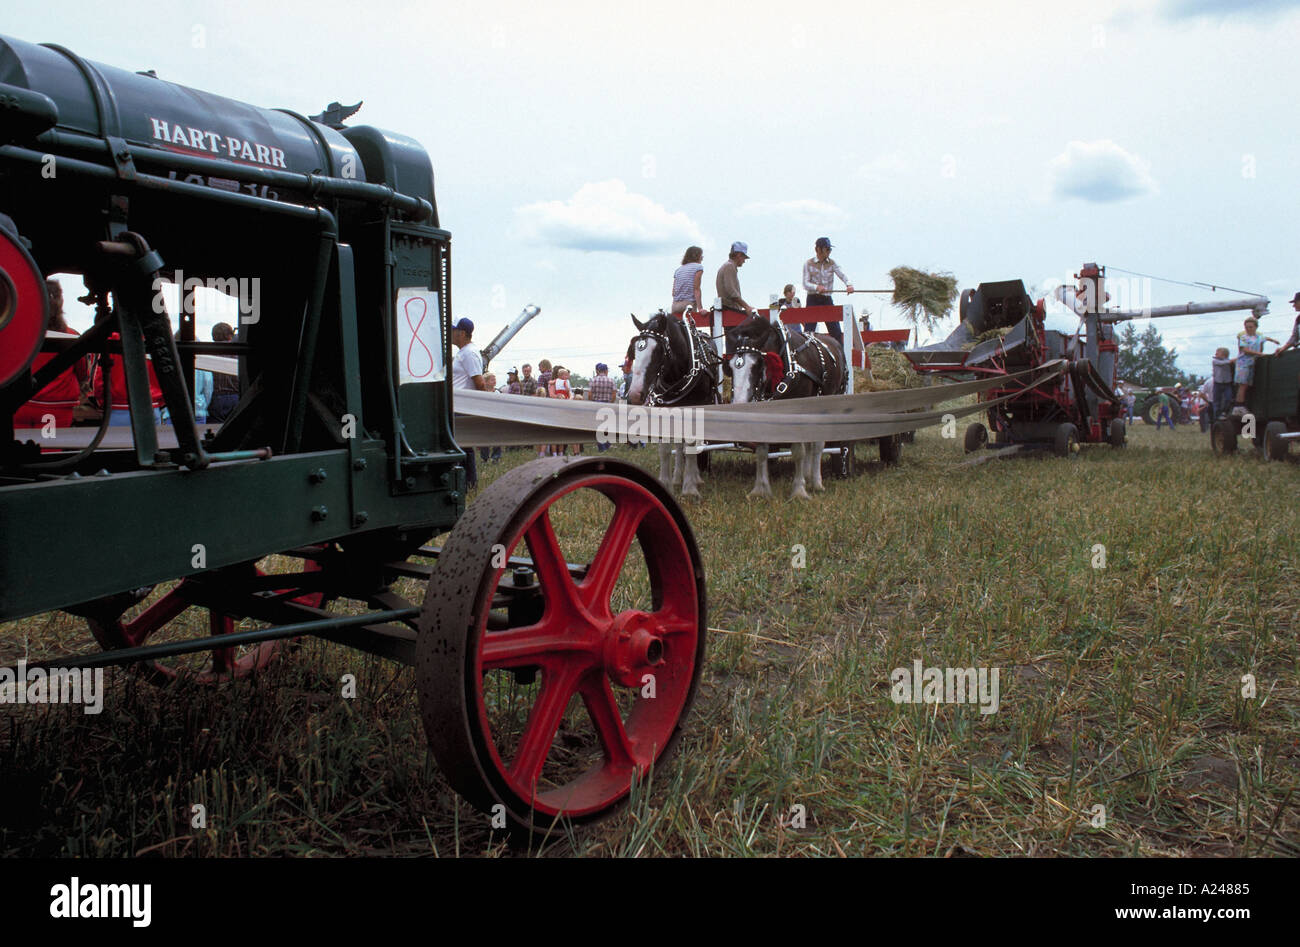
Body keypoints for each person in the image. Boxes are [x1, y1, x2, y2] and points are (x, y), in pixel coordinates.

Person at [15, 279, 89, 430]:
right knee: (50, 450)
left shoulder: (20, 335)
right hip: (55, 408)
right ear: (60, 301)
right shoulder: (71, 336)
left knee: (14, 451)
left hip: (19, 405)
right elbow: (83, 373)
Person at [450, 316, 486, 488]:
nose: (450, 333)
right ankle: (467, 482)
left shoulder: (469, 354)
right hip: (458, 404)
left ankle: (470, 483)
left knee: (464, 446)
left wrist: (482, 406)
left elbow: (479, 382)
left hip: (463, 405)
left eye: (453, 330)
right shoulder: (463, 352)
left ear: (462, 333)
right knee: (462, 445)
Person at [801, 236, 854, 343]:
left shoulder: (832, 263)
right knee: (808, 332)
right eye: (827, 249)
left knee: (836, 331)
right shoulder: (808, 263)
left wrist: (848, 285)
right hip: (813, 299)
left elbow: (842, 275)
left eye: (830, 249)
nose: (829, 251)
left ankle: (841, 356)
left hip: (826, 299)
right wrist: (817, 287)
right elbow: (805, 284)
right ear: (818, 249)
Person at [1233, 316, 1279, 415]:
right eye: (1247, 327)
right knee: (1243, 385)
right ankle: (1238, 407)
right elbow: (1245, 350)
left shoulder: (1258, 337)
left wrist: (1274, 341)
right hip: (1243, 363)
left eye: (1251, 327)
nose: (1248, 329)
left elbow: (1265, 338)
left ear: (1255, 327)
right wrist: (1260, 354)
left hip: (1252, 363)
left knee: (1248, 385)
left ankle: (1243, 405)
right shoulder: (1244, 337)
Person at [207, 322, 240, 423]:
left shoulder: (208, 354)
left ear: (214, 337)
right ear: (230, 336)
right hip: (236, 397)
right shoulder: (238, 353)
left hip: (216, 397)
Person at [716, 242, 755, 319]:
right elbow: (731, 292)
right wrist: (747, 307)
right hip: (731, 311)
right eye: (744, 257)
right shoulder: (730, 266)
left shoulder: (727, 266)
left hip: (728, 310)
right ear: (739, 255)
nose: (744, 261)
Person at [586, 362, 617, 452]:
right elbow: (614, 394)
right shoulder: (611, 381)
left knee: (598, 427)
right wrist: (610, 403)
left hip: (597, 405)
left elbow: (590, 394)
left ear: (598, 371)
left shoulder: (593, 380)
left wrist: (593, 402)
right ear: (606, 371)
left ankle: (601, 447)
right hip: (607, 405)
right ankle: (607, 444)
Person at [672, 246, 705, 314]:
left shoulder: (678, 270)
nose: (702, 257)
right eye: (701, 255)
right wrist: (700, 309)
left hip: (675, 306)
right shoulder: (698, 267)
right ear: (697, 256)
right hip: (688, 305)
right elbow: (696, 289)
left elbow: (673, 292)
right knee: (691, 324)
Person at [1210, 347, 1234, 421]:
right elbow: (1223, 363)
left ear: (1224, 354)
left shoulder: (1228, 361)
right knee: (1217, 401)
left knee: (1228, 398)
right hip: (1218, 383)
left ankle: (1225, 412)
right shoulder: (1215, 361)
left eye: (1218, 352)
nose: (1216, 354)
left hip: (1227, 383)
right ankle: (1217, 416)